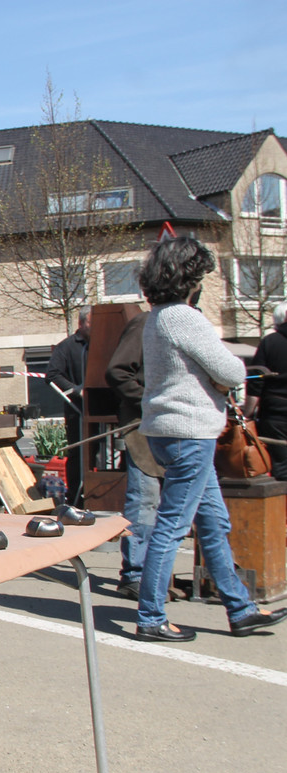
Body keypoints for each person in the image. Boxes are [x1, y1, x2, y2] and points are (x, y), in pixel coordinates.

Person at [134, 236, 287, 642]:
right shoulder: (184, 317)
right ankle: (150, 616)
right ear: (189, 276)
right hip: (189, 433)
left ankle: (241, 609)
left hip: (171, 431)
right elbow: (234, 372)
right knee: (173, 525)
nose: (202, 281)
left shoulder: (157, 317)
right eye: (200, 274)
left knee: (213, 521)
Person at [105, 310, 161, 599]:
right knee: (144, 499)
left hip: (171, 427)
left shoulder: (187, 320)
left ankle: (156, 573)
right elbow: (117, 371)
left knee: (166, 505)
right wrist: (151, 401)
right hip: (143, 425)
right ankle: (134, 575)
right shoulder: (145, 322)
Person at [46, 306, 90, 506]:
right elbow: (53, 375)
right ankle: (76, 498)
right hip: (77, 410)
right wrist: (75, 390)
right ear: (81, 323)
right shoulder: (67, 347)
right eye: (91, 323)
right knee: (78, 453)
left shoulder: (103, 344)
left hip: (101, 410)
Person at [242, 299, 287, 480]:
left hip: (276, 416)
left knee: (282, 467)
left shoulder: (270, 342)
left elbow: (256, 381)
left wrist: (248, 413)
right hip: (276, 414)